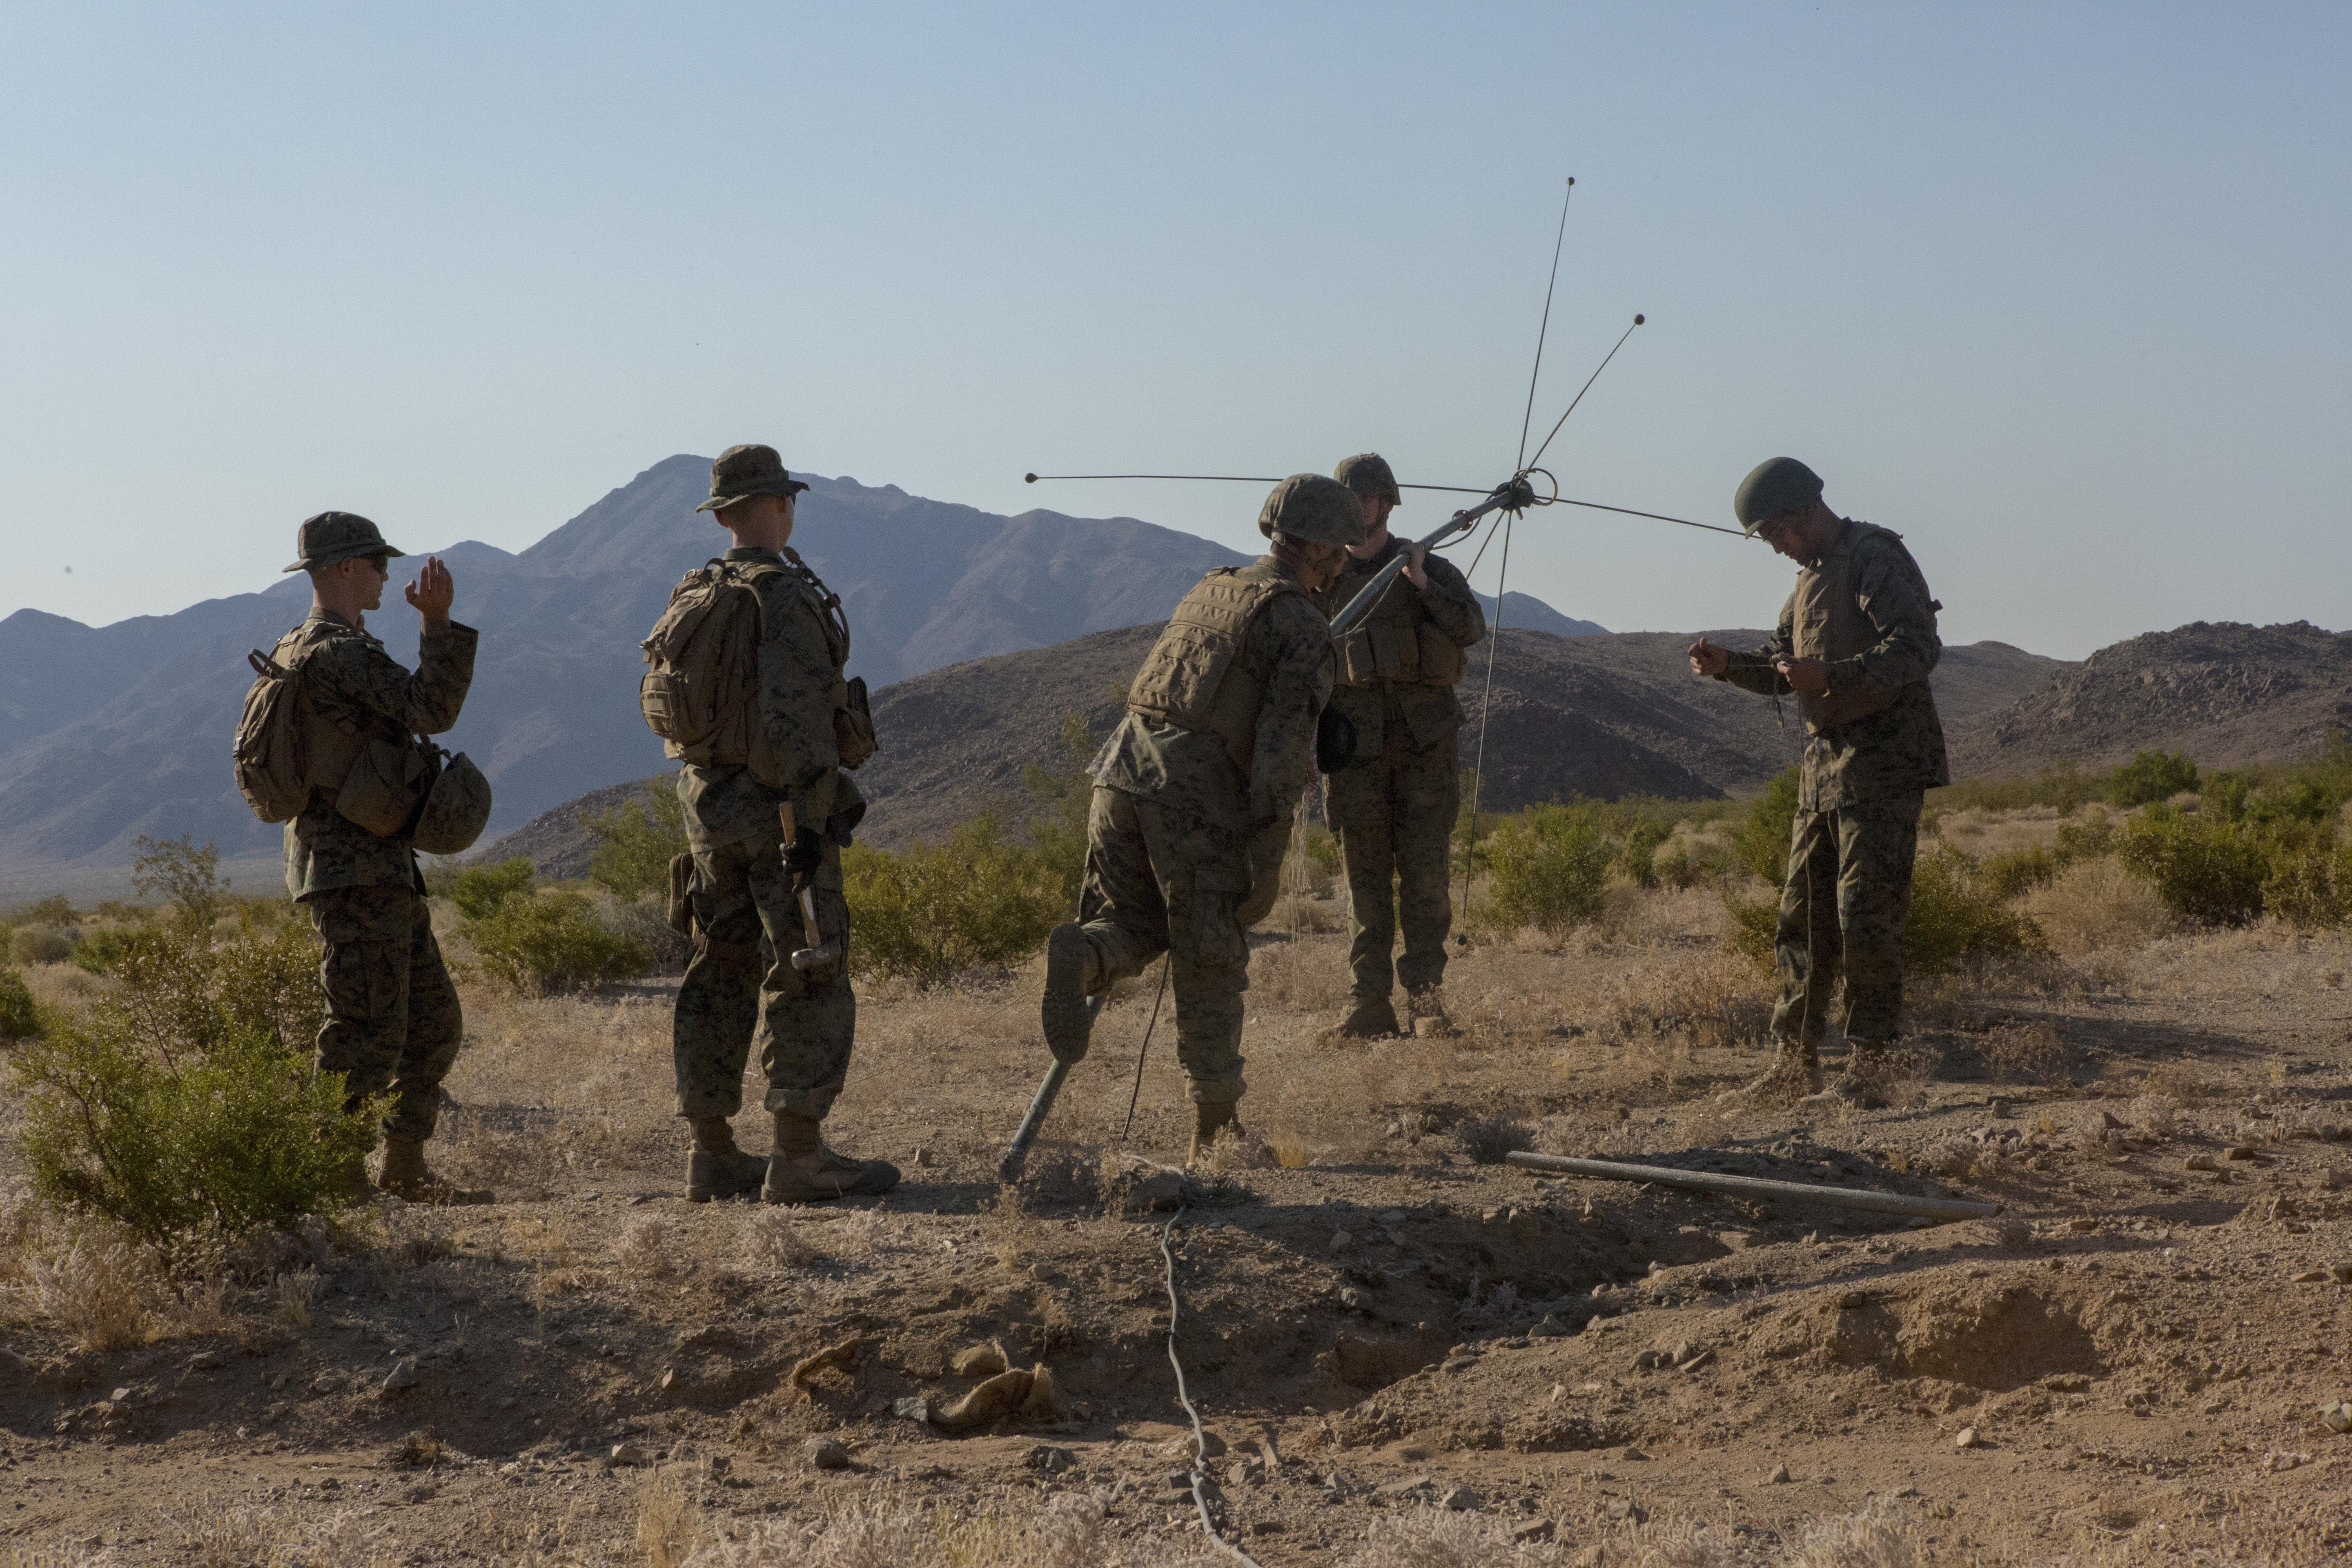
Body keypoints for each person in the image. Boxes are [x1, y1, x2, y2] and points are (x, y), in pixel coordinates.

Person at [1039, 474, 1359, 1164]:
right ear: (1320, 548)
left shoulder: (1213, 589)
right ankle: (1216, 1129)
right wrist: (1267, 863)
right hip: (1193, 795)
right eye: (1339, 550)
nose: (1341, 565)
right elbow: (1281, 757)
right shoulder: (1301, 625)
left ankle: (1086, 955)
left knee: (1135, 922)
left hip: (1120, 771)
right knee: (1211, 953)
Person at [666, 444, 897, 1203]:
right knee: (810, 968)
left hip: (708, 815)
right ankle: (799, 1156)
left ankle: (712, 1153)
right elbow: (799, 723)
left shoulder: (695, 593)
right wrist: (811, 823)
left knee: (718, 970)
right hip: (781, 815)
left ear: (722, 516)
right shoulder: (786, 597)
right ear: (781, 505)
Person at [1687, 457, 1948, 1105]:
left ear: (1806, 509)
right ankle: (1791, 1067)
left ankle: (1870, 1072)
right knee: (1801, 921)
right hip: (1824, 773)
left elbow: (1917, 648)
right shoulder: (1807, 583)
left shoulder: (1873, 557)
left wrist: (1832, 676)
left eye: (1778, 532)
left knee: (1866, 918)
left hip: (1883, 766)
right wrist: (1728, 665)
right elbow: (1784, 669)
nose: (1777, 547)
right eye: (1768, 538)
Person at [271, 511, 483, 1201]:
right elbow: (431, 707)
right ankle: (334, 1179)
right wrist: (437, 624)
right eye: (376, 563)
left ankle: (403, 1168)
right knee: (364, 1031)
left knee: (432, 1025)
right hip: (354, 870)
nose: (387, 575)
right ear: (343, 569)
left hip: (371, 867)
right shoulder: (337, 653)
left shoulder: (303, 647)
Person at [1312, 453, 1487, 1038]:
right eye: (1352, 499)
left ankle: (1426, 1003)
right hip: (1353, 755)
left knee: (1425, 883)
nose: (1363, 508)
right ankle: (1369, 1004)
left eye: (1371, 498)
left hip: (1424, 753)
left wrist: (1422, 583)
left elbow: (1471, 629)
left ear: (1388, 503)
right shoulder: (1323, 581)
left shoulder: (1428, 567)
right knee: (1364, 887)